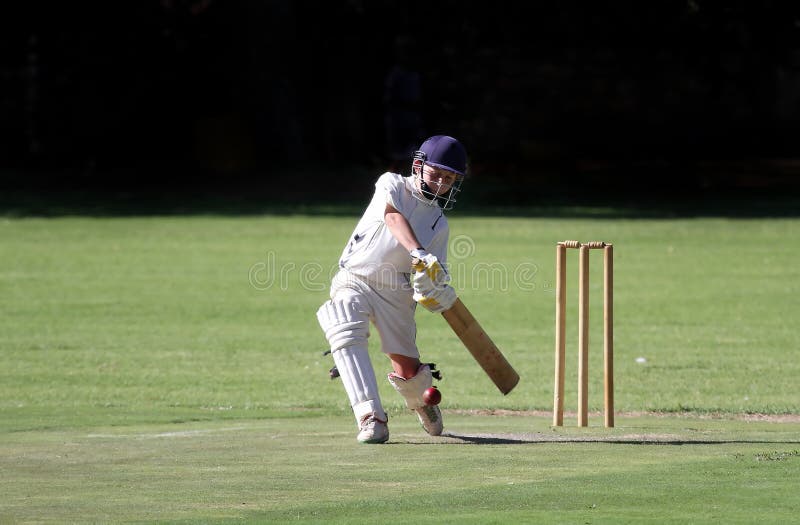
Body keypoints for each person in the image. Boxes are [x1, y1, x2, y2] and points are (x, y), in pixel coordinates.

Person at [316, 135, 467, 444]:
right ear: (419, 165)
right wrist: (418, 252)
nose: (440, 183)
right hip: (355, 276)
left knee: (407, 370)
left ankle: (420, 402)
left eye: (448, 178)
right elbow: (393, 216)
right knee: (344, 327)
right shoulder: (393, 183)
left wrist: (434, 287)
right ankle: (372, 418)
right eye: (435, 173)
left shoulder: (439, 223)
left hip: (396, 292)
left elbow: (434, 277)